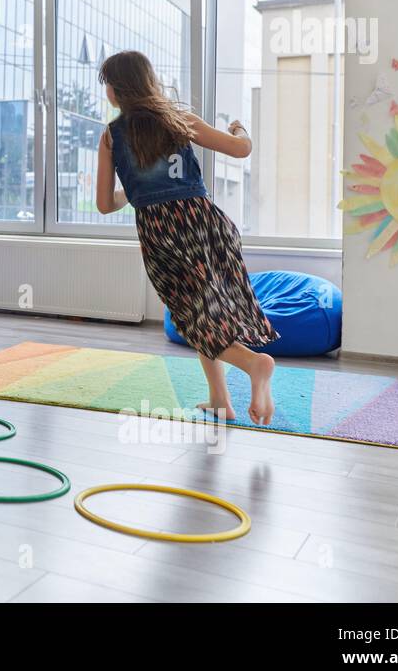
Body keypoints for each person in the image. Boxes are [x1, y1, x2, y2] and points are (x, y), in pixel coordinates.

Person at [95, 49, 277, 425]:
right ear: (148, 82)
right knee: (203, 310)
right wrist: (238, 128)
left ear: (114, 91)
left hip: (163, 233)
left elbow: (103, 204)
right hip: (207, 223)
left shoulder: (112, 137)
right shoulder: (180, 120)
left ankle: (254, 364)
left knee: (191, 313)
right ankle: (219, 398)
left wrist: (139, 190)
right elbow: (241, 149)